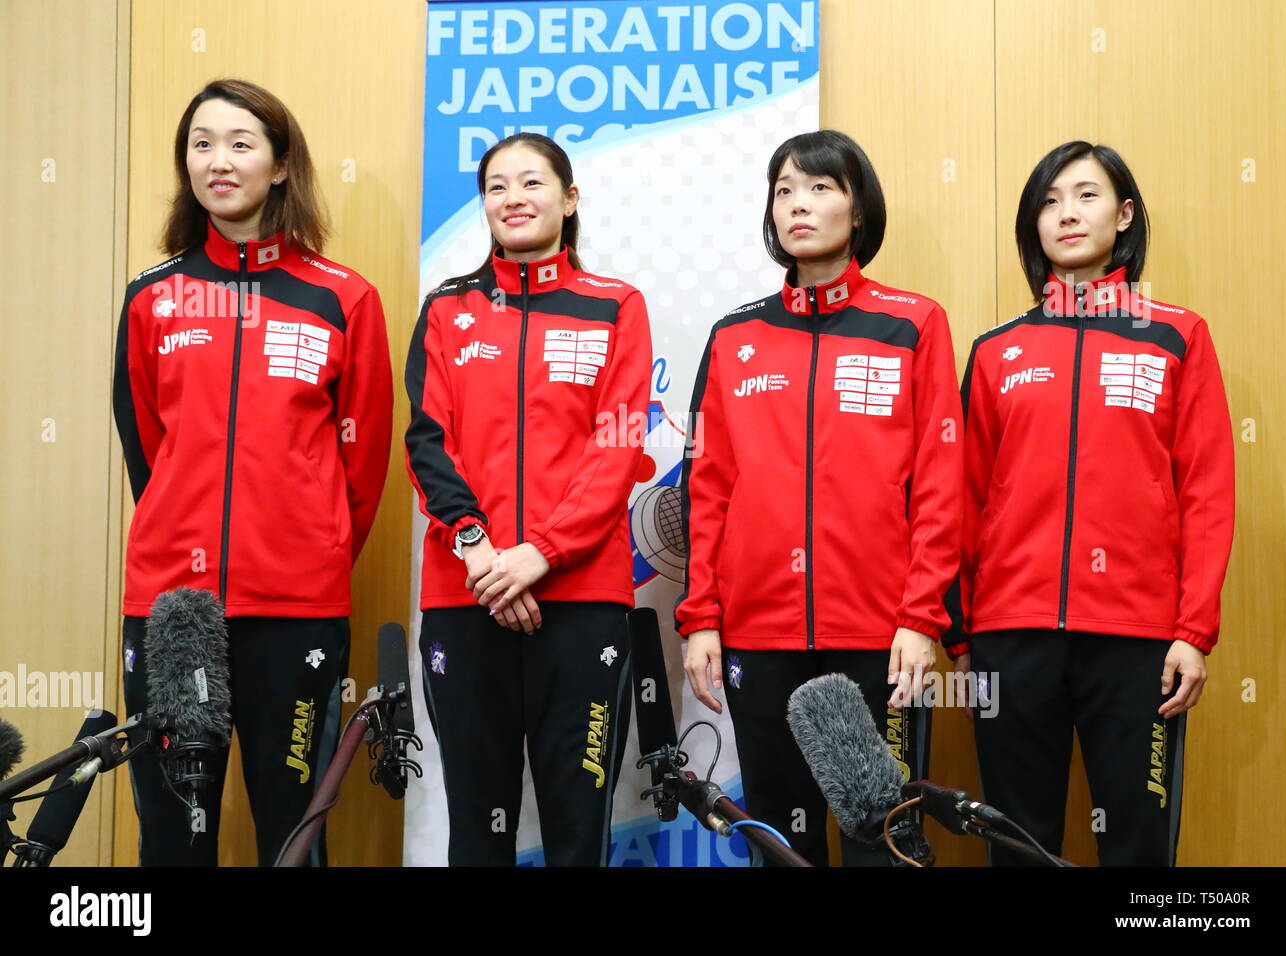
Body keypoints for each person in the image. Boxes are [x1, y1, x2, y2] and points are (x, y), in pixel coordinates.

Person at [112, 79, 393, 866]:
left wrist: (313, 550)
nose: (219, 161)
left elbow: (361, 465)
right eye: (202, 144)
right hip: (174, 609)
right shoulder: (152, 299)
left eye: (241, 143)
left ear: (279, 166)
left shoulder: (343, 299)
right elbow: (147, 450)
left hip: (295, 605)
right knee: (172, 834)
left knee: (294, 833)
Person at [676, 130, 963, 866]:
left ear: (859, 209)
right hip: (758, 633)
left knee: (884, 838)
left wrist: (922, 617)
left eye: (821, 187)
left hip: (878, 633)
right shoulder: (736, 335)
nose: (799, 204)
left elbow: (939, 480)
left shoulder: (912, 323)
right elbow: (707, 489)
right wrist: (701, 619)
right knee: (780, 835)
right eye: (784, 190)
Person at [947, 141, 1234, 866]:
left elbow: (1206, 493)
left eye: (1085, 195)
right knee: (1017, 844)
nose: (1066, 214)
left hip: (1140, 642)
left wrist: (1192, 631)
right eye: (1048, 201)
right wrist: (964, 635)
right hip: (1011, 638)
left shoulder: (1177, 336)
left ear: (1124, 214)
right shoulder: (996, 351)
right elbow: (961, 499)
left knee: (1138, 848)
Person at [405, 132, 651, 866]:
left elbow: (618, 447)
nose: (514, 198)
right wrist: (484, 555)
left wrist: (540, 554)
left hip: (580, 599)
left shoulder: (615, 306)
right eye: (497, 186)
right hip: (466, 595)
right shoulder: (448, 310)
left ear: (570, 199)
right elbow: (426, 442)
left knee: (579, 828)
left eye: (532, 183)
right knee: (478, 829)